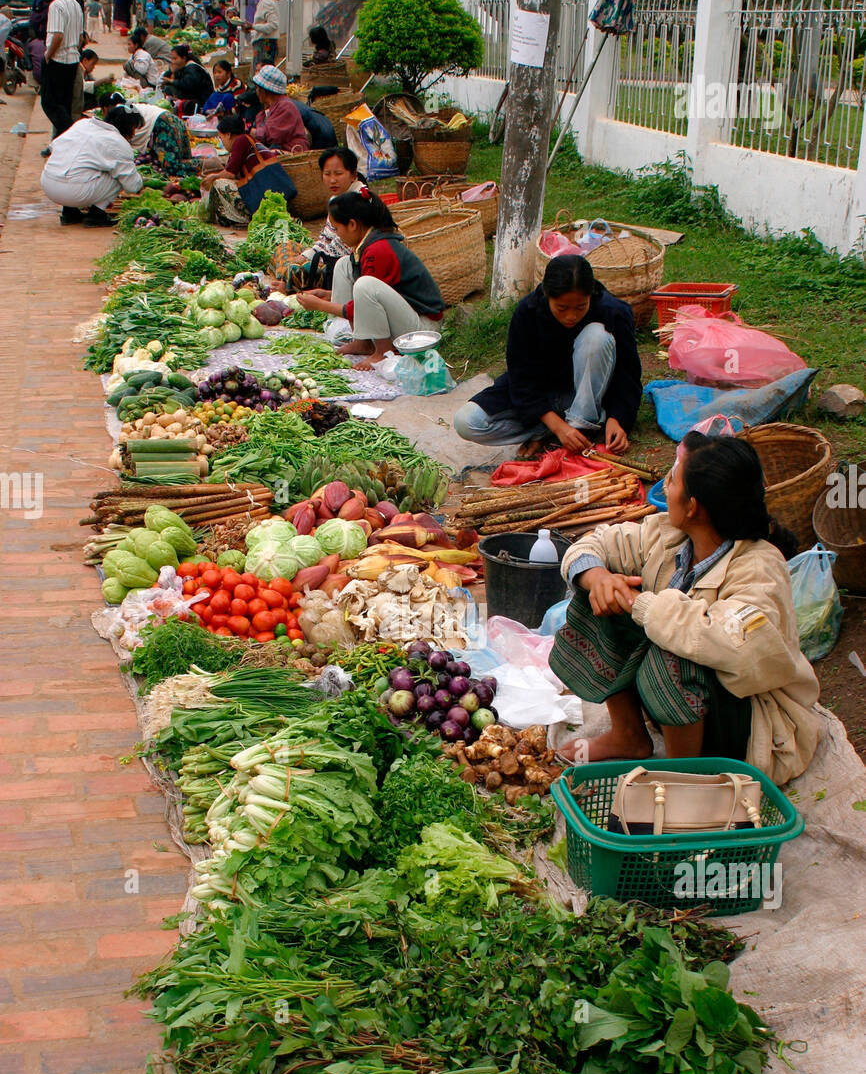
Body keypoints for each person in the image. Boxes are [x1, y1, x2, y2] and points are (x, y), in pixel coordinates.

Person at [548, 418, 821, 786]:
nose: (664, 485)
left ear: (694, 507)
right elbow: (596, 543)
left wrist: (639, 605)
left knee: (673, 652)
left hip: (746, 723)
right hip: (689, 707)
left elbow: (728, 641)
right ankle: (629, 736)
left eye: (673, 479)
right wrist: (598, 578)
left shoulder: (760, 566)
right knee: (593, 594)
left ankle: (680, 778)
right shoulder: (670, 535)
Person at [454, 255, 641, 457]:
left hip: (587, 395)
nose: (571, 316)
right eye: (562, 308)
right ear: (546, 294)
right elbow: (521, 379)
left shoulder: (613, 312)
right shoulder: (527, 313)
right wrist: (558, 427)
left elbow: (628, 373)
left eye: (581, 307)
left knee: (597, 336)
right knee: (467, 422)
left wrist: (617, 417)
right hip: (542, 395)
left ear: (592, 296)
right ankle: (548, 433)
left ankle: (581, 427)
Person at [295, 189, 445, 369]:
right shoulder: (366, 245)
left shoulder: (378, 250)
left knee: (364, 285)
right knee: (343, 265)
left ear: (352, 225)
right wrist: (327, 294)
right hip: (406, 316)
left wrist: (319, 305)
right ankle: (363, 341)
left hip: (422, 330)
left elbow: (363, 297)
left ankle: (382, 352)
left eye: (337, 229)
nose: (337, 235)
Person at [41, 101, 144, 226]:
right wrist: (142, 182)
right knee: (119, 175)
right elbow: (132, 186)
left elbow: (53, 148)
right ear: (128, 127)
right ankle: (96, 214)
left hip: (48, 183)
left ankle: (69, 212)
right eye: (134, 129)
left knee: (79, 165)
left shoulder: (83, 123)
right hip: (74, 191)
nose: (133, 135)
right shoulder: (118, 142)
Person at [201, 111, 296, 226]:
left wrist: (213, 177)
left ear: (229, 135)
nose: (222, 142)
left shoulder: (240, 141)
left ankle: (243, 218)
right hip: (266, 188)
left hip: (264, 189)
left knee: (219, 184)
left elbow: (230, 173)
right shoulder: (245, 140)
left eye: (221, 138)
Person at [292, 145, 363, 289]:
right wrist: (309, 254)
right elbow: (326, 237)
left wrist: (315, 260)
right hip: (330, 258)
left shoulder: (360, 200)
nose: (332, 180)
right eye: (327, 174)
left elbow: (344, 244)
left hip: (350, 265)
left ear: (353, 175)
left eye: (338, 173)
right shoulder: (335, 200)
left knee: (297, 274)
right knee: (287, 250)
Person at [41, 0, 85, 149]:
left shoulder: (56, 5)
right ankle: (59, 145)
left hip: (58, 60)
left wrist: (48, 55)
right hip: (72, 60)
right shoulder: (75, 4)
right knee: (64, 105)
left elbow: (57, 35)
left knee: (49, 102)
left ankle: (72, 135)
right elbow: (81, 37)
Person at [129, 98, 197, 176]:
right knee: (183, 159)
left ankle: (210, 164)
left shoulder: (118, 116)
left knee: (171, 166)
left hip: (164, 124)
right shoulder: (122, 110)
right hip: (169, 120)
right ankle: (207, 163)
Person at [250, 63, 309, 152]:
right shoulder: (269, 108)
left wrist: (249, 131)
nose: (257, 92)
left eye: (258, 88)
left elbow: (271, 135)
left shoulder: (285, 106)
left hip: (291, 154)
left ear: (264, 91)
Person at [160, 42, 213, 111]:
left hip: (201, 98)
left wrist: (172, 80)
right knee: (167, 88)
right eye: (172, 59)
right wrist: (171, 72)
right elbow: (165, 79)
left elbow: (189, 85)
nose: (173, 61)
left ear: (184, 58)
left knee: (171, 88)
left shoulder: (193, 68)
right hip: (192, 94)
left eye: (175, 59)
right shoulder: (179, 66)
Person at [244, 0, 278, 74]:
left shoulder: (267, 2)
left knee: (261, 77)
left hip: (265, 45)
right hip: (261, 44)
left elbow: (273, 25)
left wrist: (253, 26)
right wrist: (251, 28)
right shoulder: (263, 1)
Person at [71, 46, 99, 118]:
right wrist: (102, 81)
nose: (93, 67)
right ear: (85, 61)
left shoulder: (87, 73)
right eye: (93, 64)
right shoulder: (78, 70)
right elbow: (83, 86)